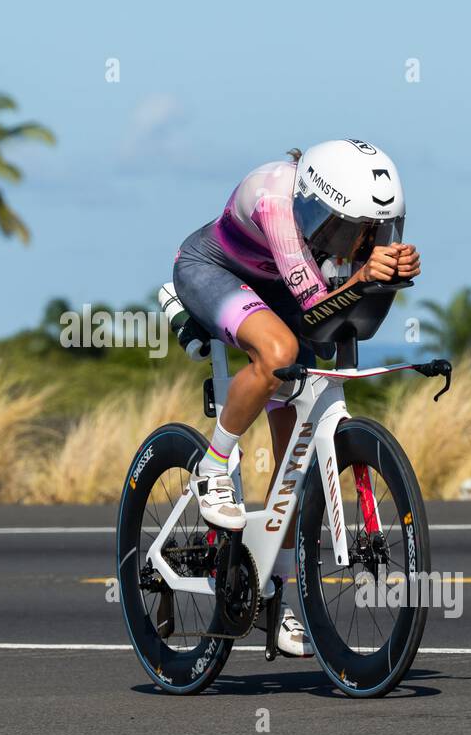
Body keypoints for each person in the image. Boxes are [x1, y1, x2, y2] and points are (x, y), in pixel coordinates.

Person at [170, 138, 419, 656]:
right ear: (317, 205)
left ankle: (275, 598)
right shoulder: (276, 200)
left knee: (294, 458)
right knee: (279, 349)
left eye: (373, 231)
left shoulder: (343, 218)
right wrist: (364, 275)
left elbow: (350, 319)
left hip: (282, 290)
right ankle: (214, 466)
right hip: (215, 272)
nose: (360, 242)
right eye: (351, 230)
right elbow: (317, 307)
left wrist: (390, 276)